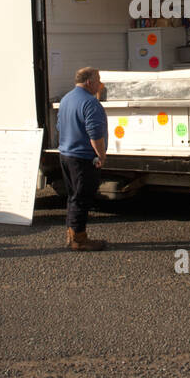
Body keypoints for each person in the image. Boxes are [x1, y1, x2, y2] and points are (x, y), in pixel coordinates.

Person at [57, 67, 109, 251]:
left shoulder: (66, 99)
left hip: (66, 155)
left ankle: (72, 234)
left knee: (73, 196)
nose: (100, 84)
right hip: (83, 157)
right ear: (89, 82)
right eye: (98, 79)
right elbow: (95, 134)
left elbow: (59, 126)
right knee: (82, 198)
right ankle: (79, 239)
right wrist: (101, 155)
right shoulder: (90, 103)